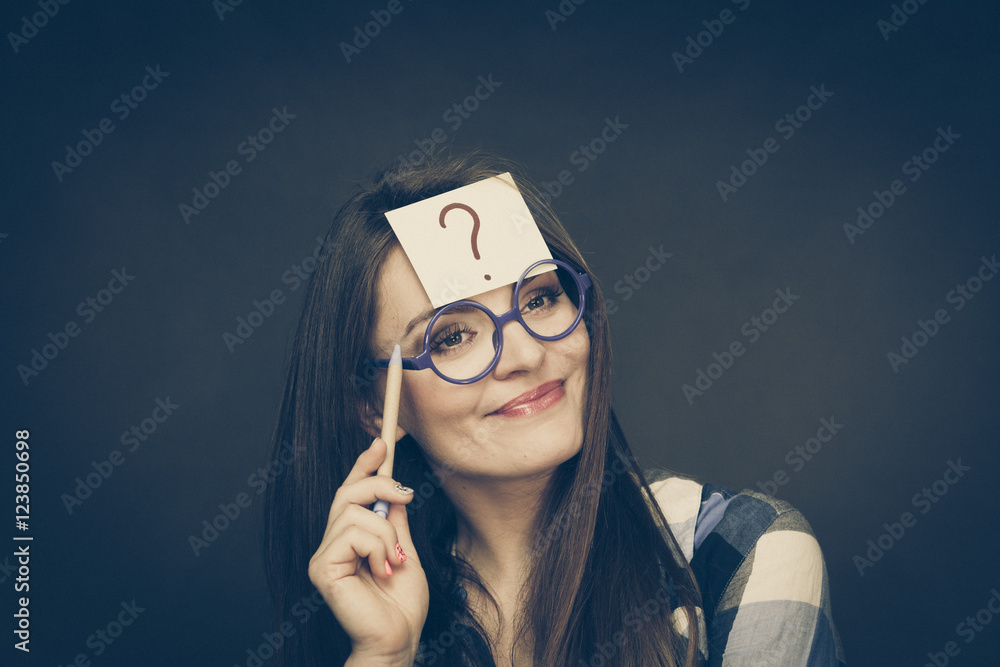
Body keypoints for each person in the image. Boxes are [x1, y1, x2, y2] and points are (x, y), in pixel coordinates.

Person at [262, 152, 846, 666]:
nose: (524, 352)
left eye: (539, 298)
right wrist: (383, 657)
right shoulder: (382, 607)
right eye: (451, 337)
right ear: (372, 404)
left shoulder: (740, 553)